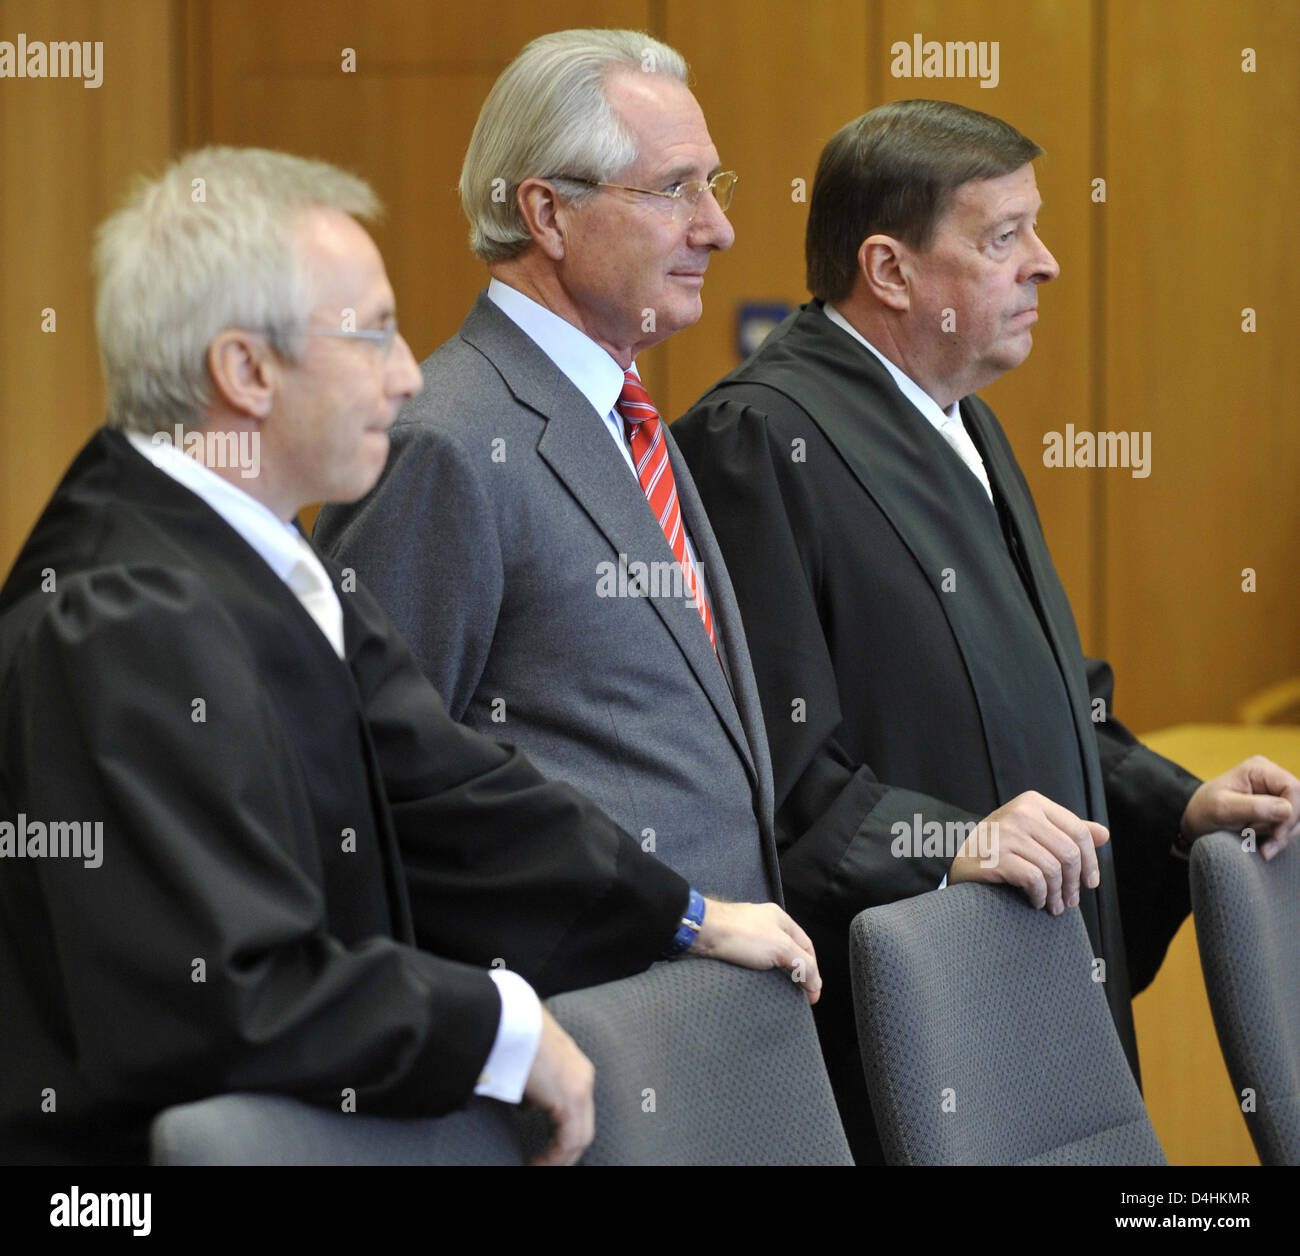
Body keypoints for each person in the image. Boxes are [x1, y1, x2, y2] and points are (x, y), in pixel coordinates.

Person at [0, 146, 817, 1166]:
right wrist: (498, 1026)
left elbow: (448, 787)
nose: (407, 374)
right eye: (372, 336)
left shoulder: (260, 549)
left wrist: (687, 914)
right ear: (246, 371)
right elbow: (229, 989)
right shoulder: (120, 617)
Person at [672, 99, 1300, 1162]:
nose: (1044, 263)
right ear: (891, 268)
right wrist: (946, 835)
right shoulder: (757, 438)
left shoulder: (960, 419)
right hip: (911, 1035)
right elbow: (780, 780)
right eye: (1002, 236)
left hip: (1033, 977)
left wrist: (1174, 801)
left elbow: (1053, 703)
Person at [315, 30, 787, 911]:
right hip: (583, 1016)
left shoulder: (630, 416)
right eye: (674, 189)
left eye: (713, 187)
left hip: (714, 1015)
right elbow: (366, 789)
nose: (717, 228)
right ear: (546, 213)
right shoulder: (444, 441)